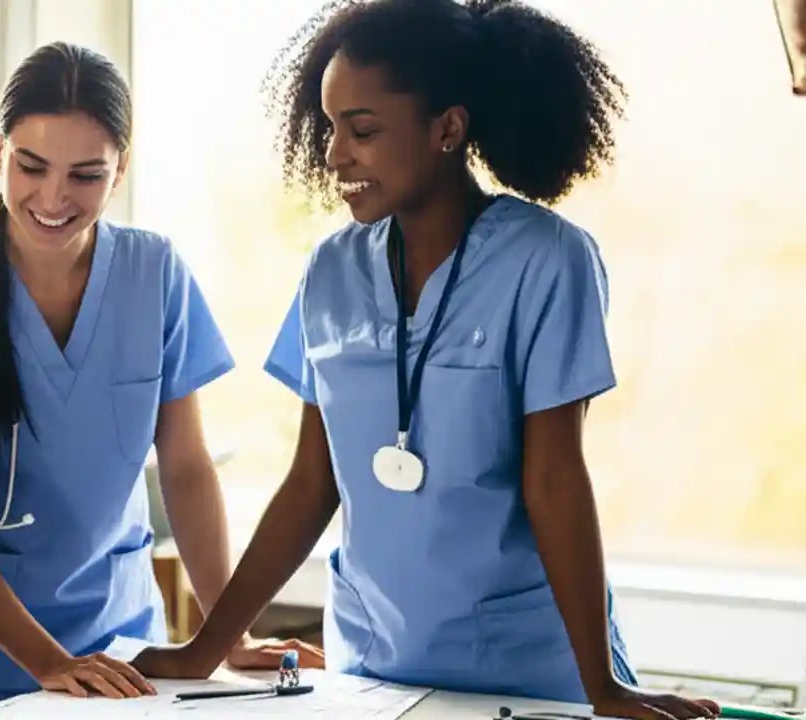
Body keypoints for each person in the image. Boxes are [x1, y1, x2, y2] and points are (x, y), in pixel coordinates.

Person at [132, 3, 722, 719]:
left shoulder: (548, 261)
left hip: (524, 671)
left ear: (448, 128)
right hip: (373, 672)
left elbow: (556, 479)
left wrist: (602, 687)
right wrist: (207, 647)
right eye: (330, 127)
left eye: (364, 129)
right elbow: (311, 484)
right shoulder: (329, 271)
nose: (334, 154)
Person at [0, 41, 322, 709]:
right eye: (31, 166)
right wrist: (50, 664)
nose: (54, 197)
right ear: (0, 154)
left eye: (85, 174)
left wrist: (224, 632)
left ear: (120, 172)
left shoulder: (154, 274)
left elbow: (186, 469)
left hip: (124, 650)